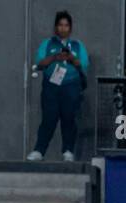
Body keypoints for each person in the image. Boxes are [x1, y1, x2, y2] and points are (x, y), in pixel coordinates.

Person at [28, 11, 89, 162]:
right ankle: (39, 151)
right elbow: (39, 64)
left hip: (71, 86)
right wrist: (55, 57)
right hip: (51, 86)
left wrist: (71, 58)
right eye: (60, 25)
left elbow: (84, 65)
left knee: (69, 119)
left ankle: (68, 151)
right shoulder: (47, 43)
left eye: (66, 25)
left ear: (70, 27)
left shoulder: (77, 45)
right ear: (56, 27)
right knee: (49, 118)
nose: (63, 28)